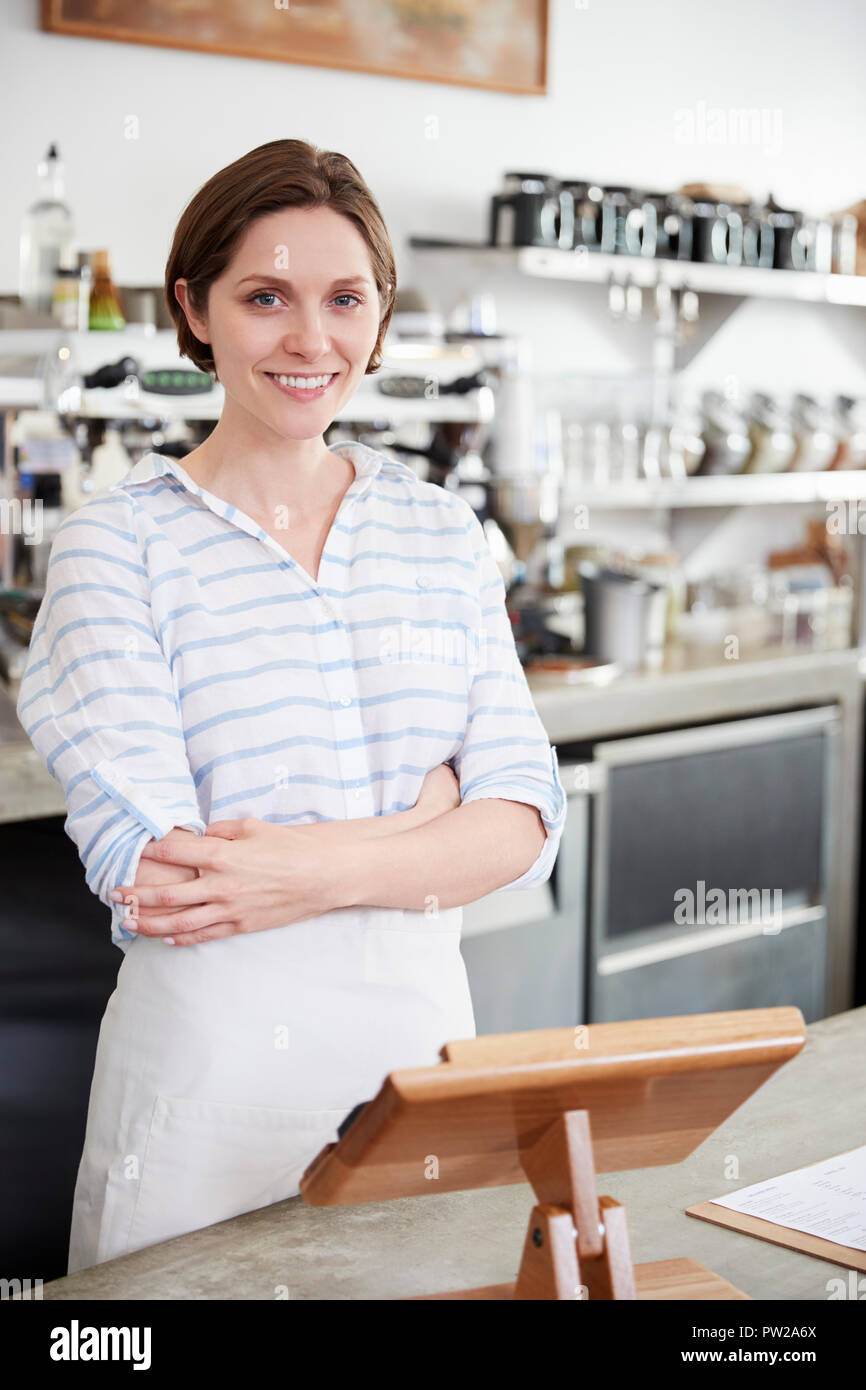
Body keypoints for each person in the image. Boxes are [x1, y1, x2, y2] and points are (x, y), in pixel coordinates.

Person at [16, 138, 567, 1274]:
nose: (310, 339)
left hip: (415, 1091)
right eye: (265, 297)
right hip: (204, 1109)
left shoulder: (441, 536)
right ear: (196, 308)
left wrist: (310, 864)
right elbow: (164, 880)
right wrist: (420, 830)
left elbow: (523, 828)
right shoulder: (115, 548)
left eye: (343, 299)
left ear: (377, 316)